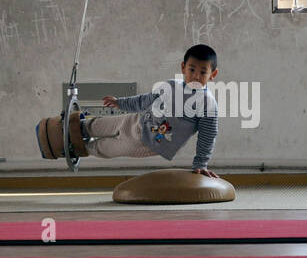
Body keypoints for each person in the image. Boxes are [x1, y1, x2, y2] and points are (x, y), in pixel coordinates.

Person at [41, 44, 222, 177]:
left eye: (202, 72)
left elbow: (207, 136)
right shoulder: (170, 86)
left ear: (212, 75)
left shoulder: (208, 105)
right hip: (136, 121)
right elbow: (144, 100)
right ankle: (72, 128)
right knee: (97, 125)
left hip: (150, 143)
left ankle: (77, 148)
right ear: (183, 67)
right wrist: (120, 103)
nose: (196, 76)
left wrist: (201, 164)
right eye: (192, 69)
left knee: (106, 149)